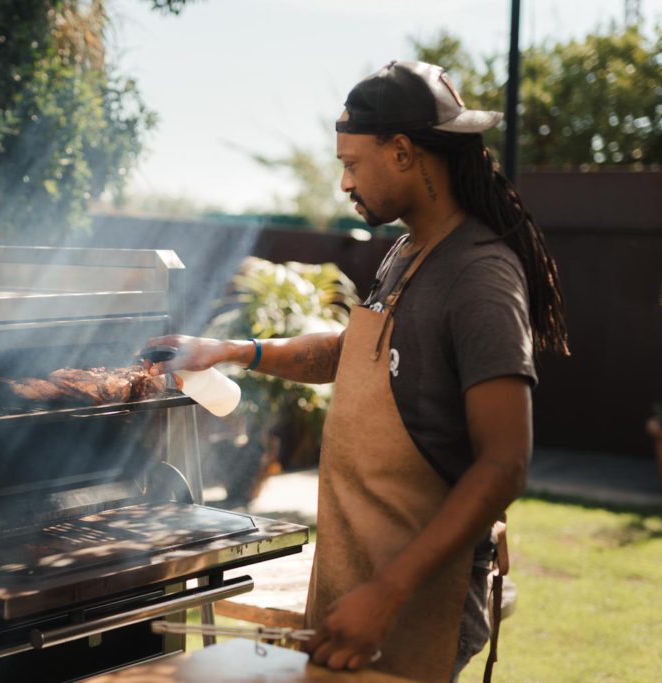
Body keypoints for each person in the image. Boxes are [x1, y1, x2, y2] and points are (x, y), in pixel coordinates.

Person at [144, 60, 569, 682]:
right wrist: (231, 351)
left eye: (351, 162)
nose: (344, 182)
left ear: (401, 152)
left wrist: (388, 594)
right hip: (359, 584)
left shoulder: (480, 274)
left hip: (417, 603)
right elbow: (352, 352)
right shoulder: (407, 251)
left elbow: (505, 462)